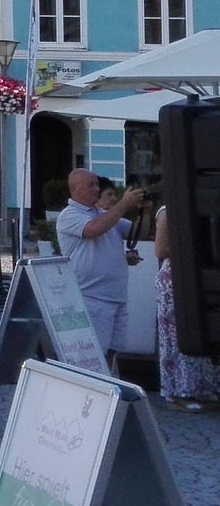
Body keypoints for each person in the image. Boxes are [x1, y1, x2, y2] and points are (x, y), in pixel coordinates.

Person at [57, 167, 146, 365]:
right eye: (91, 185)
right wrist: (123, 204)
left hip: (116, 297)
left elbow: (138, 232)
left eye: (97, 184)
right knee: (93, 358)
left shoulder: (103, 213)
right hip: (91, 298)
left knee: (110, 356)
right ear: (74, 188)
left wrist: (144, 212)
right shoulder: (69, 215)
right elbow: (94, 229)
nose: (97, 189)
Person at [155, 202, 220, 409]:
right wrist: (193, 244)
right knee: (176, 336)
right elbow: (160, 249)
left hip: (198, 277)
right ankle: (177, 391)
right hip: (175, 278)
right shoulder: (167, 212)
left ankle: (200, 389)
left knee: (200, 332)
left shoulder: (202, 209)